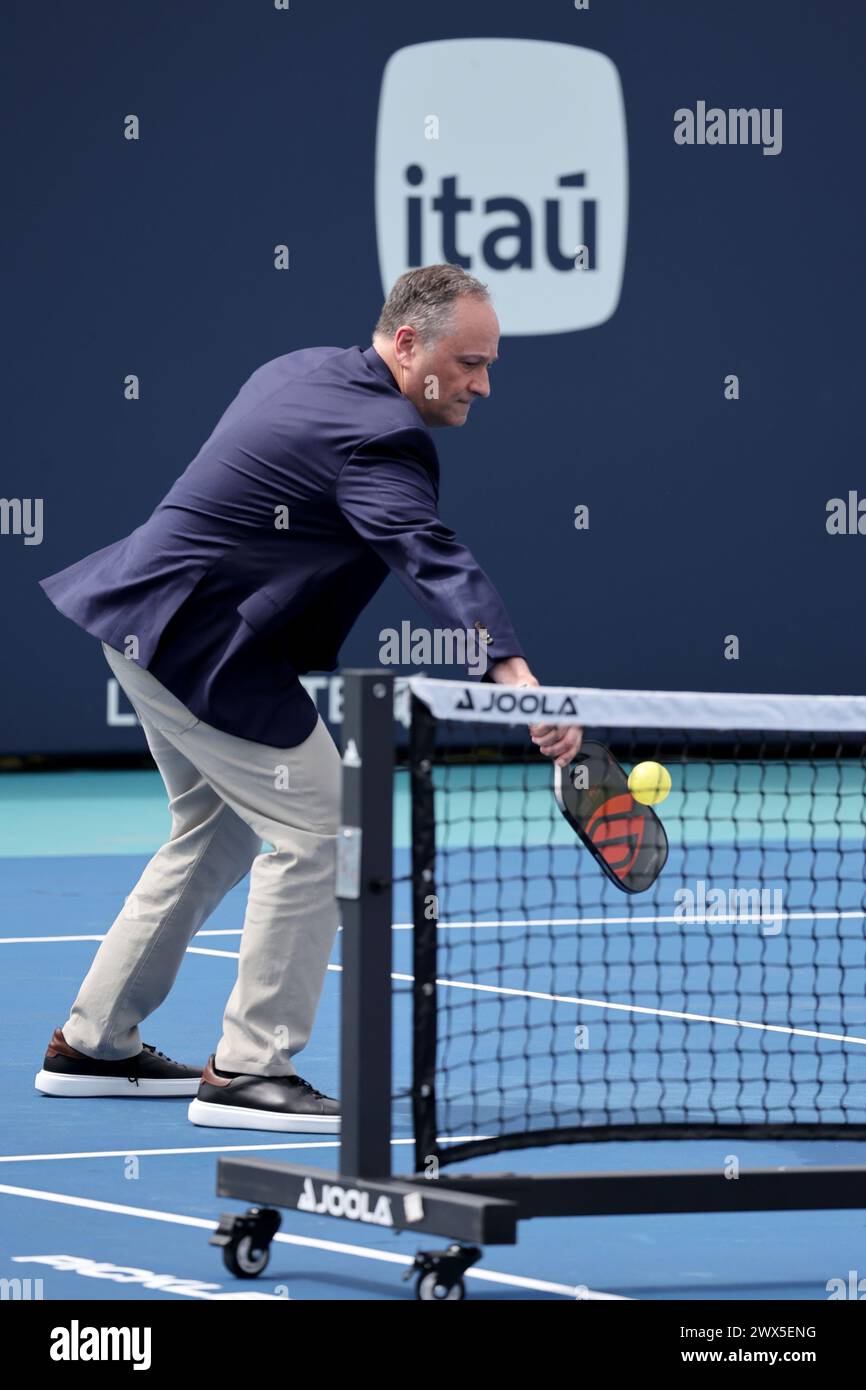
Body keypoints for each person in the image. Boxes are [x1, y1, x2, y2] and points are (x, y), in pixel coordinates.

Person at [34, 263, 582, 1132]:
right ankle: (251, 1069)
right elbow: (428, 554)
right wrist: (513, 678)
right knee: (321, 821)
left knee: (212, 834)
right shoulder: (382, 436)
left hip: (146, 619)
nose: (484, 384)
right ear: (409, 345)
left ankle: (94, 1044)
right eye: (471, 363)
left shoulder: (300, 368)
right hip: (197, 645)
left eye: (490, 364)